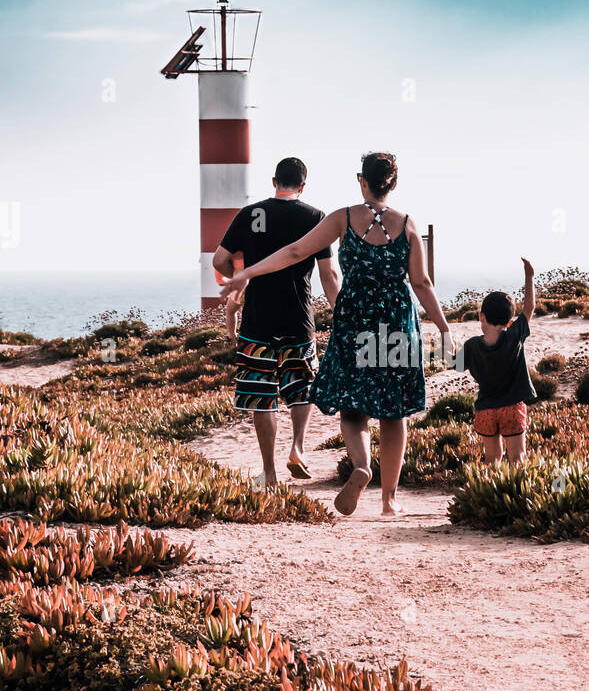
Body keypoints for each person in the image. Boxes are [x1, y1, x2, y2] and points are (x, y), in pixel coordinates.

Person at [222, 152, 453, 516]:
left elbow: (296, 251)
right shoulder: (408, 226)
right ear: (392, 184)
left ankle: (361, 465)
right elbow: (421, 283)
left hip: (354, 321)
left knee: (354, 410)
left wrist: (248, 273)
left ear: (362, 181)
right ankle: (389, 501)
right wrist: (443, 327)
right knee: (394, 413)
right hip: (396, 322)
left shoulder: (344, 218)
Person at [213, 157, 341, 486]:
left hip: (256, 320)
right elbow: (328, 276)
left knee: (262, 395)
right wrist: (341, 313)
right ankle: (297, 448)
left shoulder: (250, 214)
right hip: (298, 317)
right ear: (302, 185)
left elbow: (220, 260)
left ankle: (269, 472)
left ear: (274, 181)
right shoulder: (315, 218)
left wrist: (242, 278)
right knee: (301, 388)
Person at [461, 257, 537, 465]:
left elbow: (454, 365)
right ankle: (516, 495)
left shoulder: (472, 345)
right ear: (510, 321)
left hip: (485, 409)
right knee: (517, 457)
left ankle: (488, 494)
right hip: (512, 407)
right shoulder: (514, 336)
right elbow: (529, 307)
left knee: (492, 458)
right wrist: (529, 275)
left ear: (481, 316)